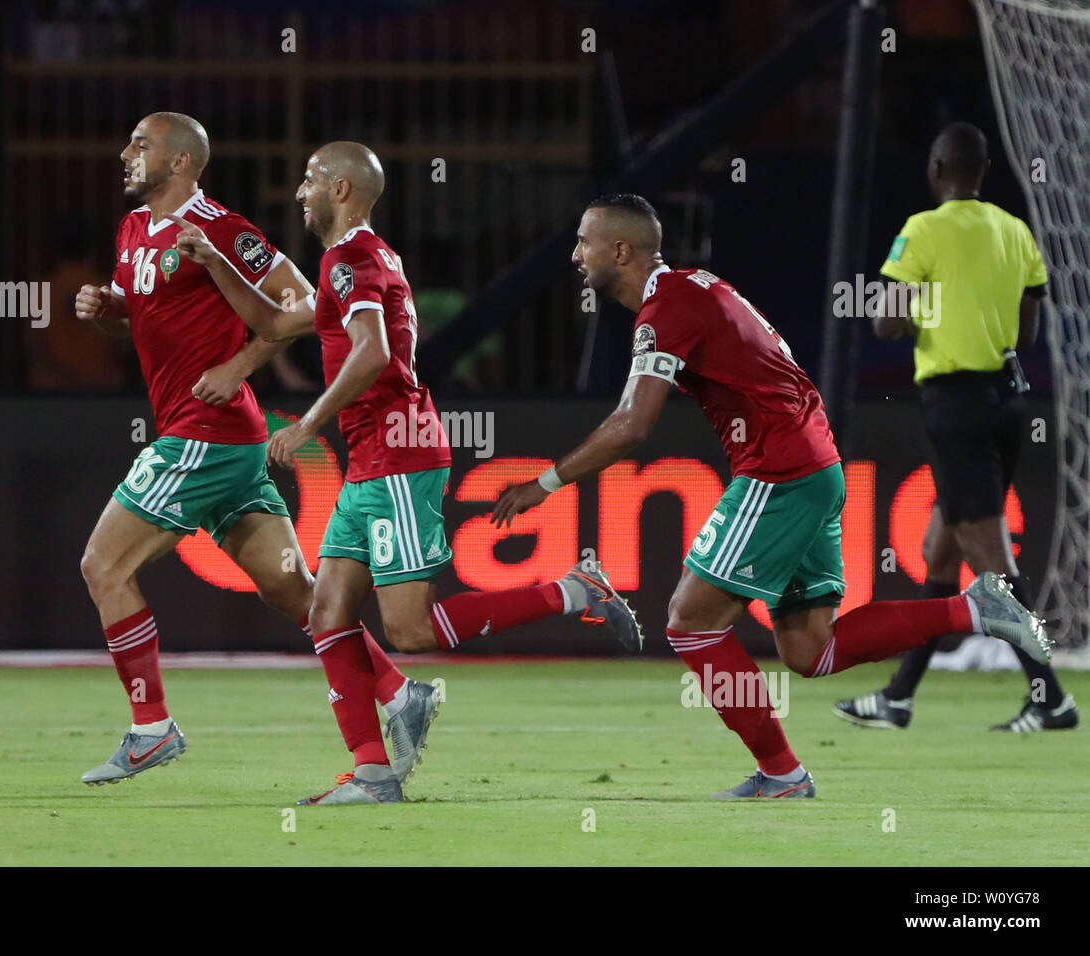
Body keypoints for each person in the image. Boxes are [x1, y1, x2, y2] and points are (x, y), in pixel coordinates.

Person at [490, 193, 1051, 799]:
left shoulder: (667, 306)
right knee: (811, 649)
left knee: (688, 622)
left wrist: (543, 483)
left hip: (779, 471)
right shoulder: (690, 289)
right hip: (811, 463)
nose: (575, 254)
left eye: (583, 241)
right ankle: (975, 609)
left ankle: (783, 775)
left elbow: (632, 424)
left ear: (619, 250)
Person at [170, 141, 641, 805]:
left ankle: (573, 591)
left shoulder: (354, 258)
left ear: (341, 190)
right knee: (327, 610)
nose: (298, 193)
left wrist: (307, 424)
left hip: (399, 459)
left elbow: (372, 353)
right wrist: (217, 262)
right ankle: (371, 774)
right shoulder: (349, 264)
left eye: (308, 181)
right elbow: (273, 321)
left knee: (411, 631)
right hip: (371, 462)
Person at [74, 113, 436, 788]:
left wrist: (241, 365)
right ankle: (398, 692)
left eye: (141, 144)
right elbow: (150, 308)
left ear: (181, 161)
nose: (126, 153)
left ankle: (152, 729)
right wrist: (110, 309)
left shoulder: (222, 229)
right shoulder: (132, 229)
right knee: (296, 594)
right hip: (222, 441)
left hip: (202, 434)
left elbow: (304, 300)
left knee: (103, 565)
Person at [835, 122, 1077, 733]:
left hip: (954, 406)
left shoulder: (922, 230)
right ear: (982, 170)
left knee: (993, 568)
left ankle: (1051, 696)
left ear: (937, 170)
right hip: (1006, 401)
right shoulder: (1015, 230)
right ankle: (899, 697)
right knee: (940, 553)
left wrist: (928, 308)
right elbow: (1025, 331)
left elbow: (886, 324)